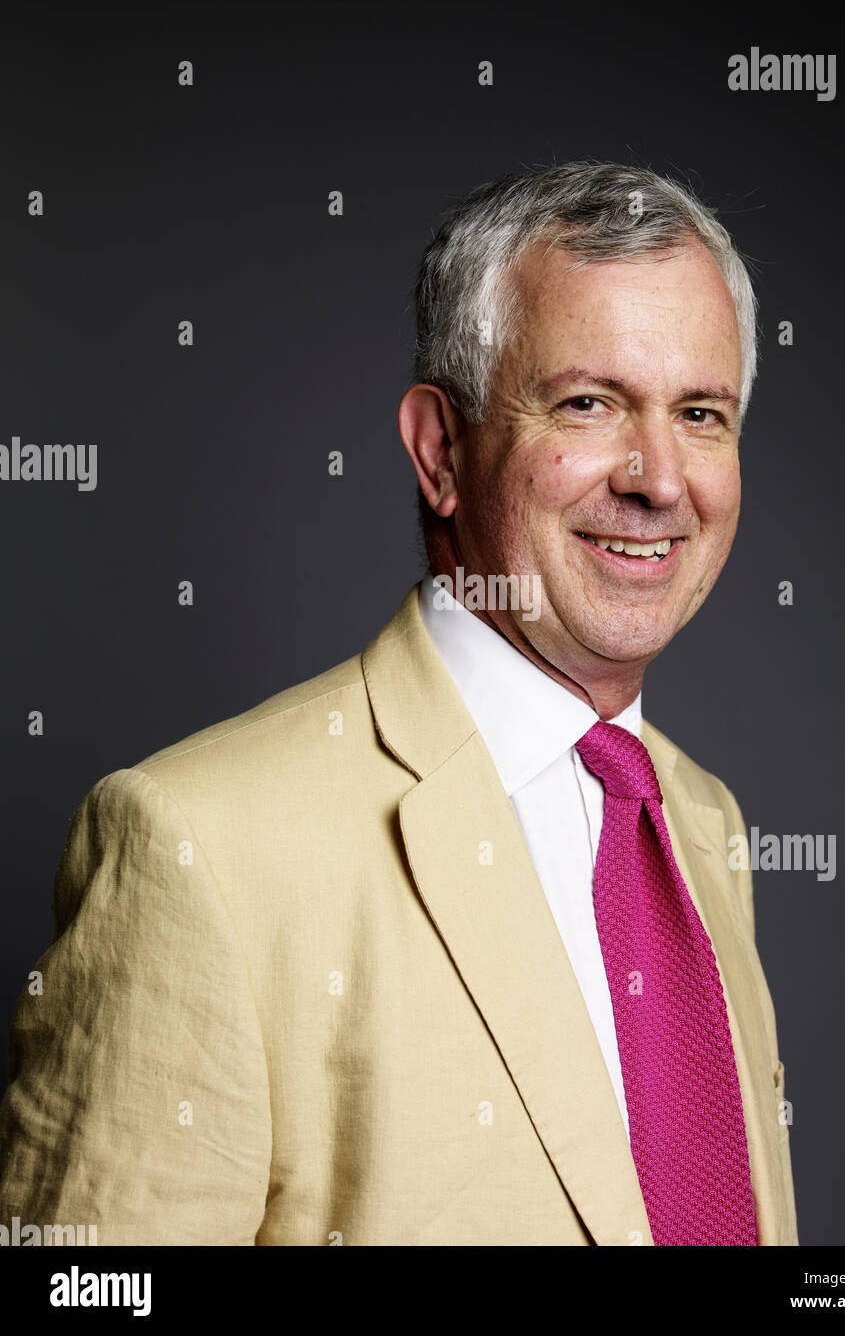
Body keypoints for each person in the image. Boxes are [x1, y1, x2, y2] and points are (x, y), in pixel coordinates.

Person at [0, 161, 798, 1246]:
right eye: (588, 402)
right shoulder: (196, 846)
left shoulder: (701, 823)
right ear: (441, 451)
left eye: (701, 412)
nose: (660, 478)